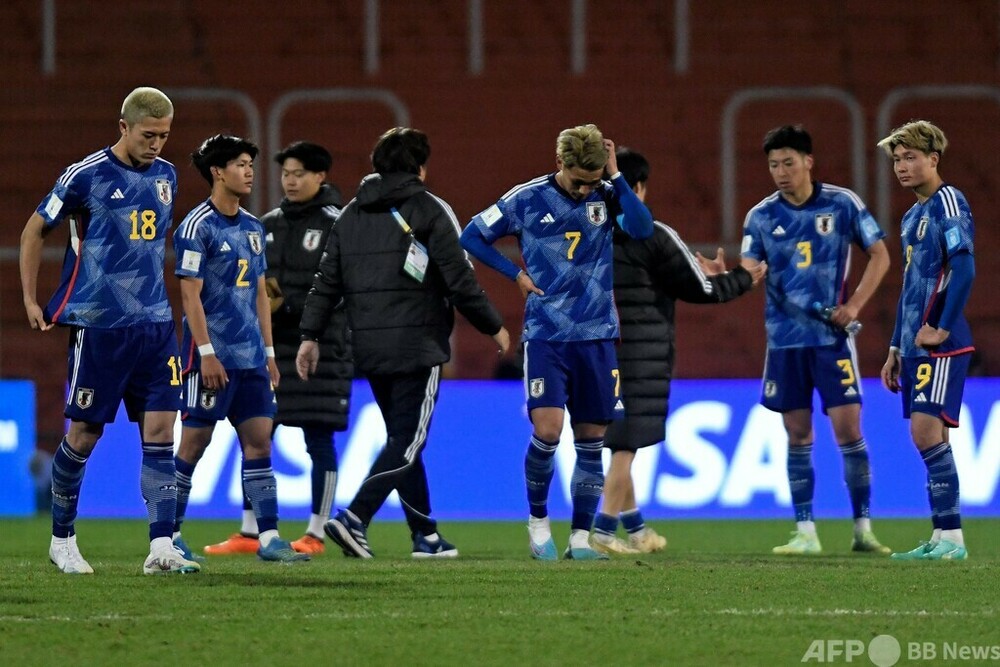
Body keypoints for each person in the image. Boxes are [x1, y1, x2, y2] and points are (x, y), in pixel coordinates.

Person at [297, 127, 509, 559]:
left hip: (370, 348)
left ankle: (425, 536)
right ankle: (355, 518)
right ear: (420, 167)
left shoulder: (350, 214)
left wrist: (309, 336)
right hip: (418, 345)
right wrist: (494, 326)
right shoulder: (431, 209)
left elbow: (325, 283)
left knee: (401, 439)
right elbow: (460, 279)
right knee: (408, 442)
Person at [19, 86, 200, 575]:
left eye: (164, 135)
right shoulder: (87, 175)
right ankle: (62, 540)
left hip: (156, 326)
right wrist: (31, 297)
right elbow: (34, 229)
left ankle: (161, 546)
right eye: (148, 134)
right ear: (124, 127)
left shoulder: (167, 176)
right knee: (83, 434)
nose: (157, 144)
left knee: (161, 431)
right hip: (99, 327)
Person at [461, 124, 654, 560]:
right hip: (546, 335)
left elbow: (642, 230)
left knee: (591, 436)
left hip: (597, 337)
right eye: (579, 180)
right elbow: (471, 236)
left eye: (594, 179)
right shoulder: (526, 198)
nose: (587, 189)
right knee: (547, 431)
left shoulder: (607, 193)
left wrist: (616, 176)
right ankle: (538, 524)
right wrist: (516, 275)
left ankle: (581, 539)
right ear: (559, 164)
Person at [593, 148, 765, 555]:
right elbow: (700, 289)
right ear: (638, 187)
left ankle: (636, 531)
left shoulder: (587, 233)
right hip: (642, 356)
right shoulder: (651, 233)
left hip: (597, 352)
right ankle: (600, 533)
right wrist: (742, 279)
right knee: (625, 447)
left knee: (620, 441)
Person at [740, 124, 892, 556]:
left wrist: (856, 305)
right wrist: (732, 276)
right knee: (798, 434)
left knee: (848, 429)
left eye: (789, 162)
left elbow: (880, 253)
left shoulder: (842, 204)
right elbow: (750, 268)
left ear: (809, 161)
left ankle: (863, 529)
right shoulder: (761, 216)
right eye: (773, 165)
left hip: (830, 340)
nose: (781, 172)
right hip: (784, 342)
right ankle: (805, 531)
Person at [202, 141, 353, 557]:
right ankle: (250, 531)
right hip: (267, 349)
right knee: (257, 434)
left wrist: (291, 307)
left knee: (318, 440)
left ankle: (317, 533)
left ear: (321, 176)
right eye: (286, 172)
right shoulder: (263, 223)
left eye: (299, 172)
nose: (290, 179)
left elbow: (342, 289)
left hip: (320, 348)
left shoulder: (337, 223)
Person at [171, 134, 308, 563]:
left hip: (251, 360)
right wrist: (207, 352)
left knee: (260, 444)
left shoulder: (253, 227)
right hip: (210, 359)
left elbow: (262, 295)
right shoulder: (196, 227)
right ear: (217, 171)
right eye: (241, 164)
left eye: (251, 164)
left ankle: (268, 539)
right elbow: (189, 296)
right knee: (194, 444)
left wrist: (269, 354)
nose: (249, 172)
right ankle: (167, 536)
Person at [877, 121, 975, 561]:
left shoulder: (947, 201)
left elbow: (965, 268)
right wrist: (896, 348)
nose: (902, 166)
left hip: (942, 342)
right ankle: (941, 536)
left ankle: (952, 538)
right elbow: (910, 286)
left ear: (933, 159)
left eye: (910, 157)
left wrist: (940, 327)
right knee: (932, 437)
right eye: (897, 159)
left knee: (924, 433)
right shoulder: (911, 216)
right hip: (916, 346)